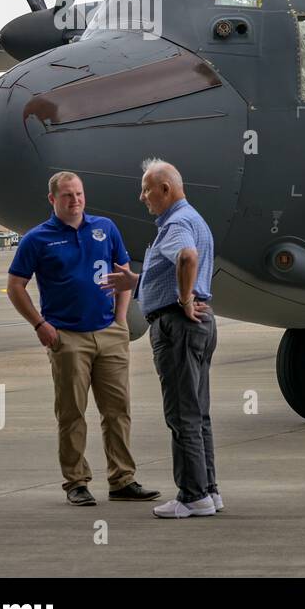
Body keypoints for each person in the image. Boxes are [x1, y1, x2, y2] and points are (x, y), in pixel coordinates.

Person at [6, 172, 160, 506]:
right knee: (72, 413)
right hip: (67, 337)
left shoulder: (104, 227)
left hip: (109, 333)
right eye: (67, 196)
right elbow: (15, 285)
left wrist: (121, 320)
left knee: (118, 410)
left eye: (78, 194)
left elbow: (123, 273)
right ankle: (76, 481)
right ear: (52, 200)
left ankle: (123, 479)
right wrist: (39, 324)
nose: (75, 200)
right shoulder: (37, 239)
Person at [104, 159, 220, 518]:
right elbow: (171, 272)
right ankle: (208, 491)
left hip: (178, 325)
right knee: (198, 414)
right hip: (195, 322)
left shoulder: (176, 224)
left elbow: (187, 257)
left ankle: (192, 496)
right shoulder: (191, 218)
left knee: (181, 415)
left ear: (165, 189)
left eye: (146, 189)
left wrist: (184, 301)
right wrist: (135, 282)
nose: (142, 197)